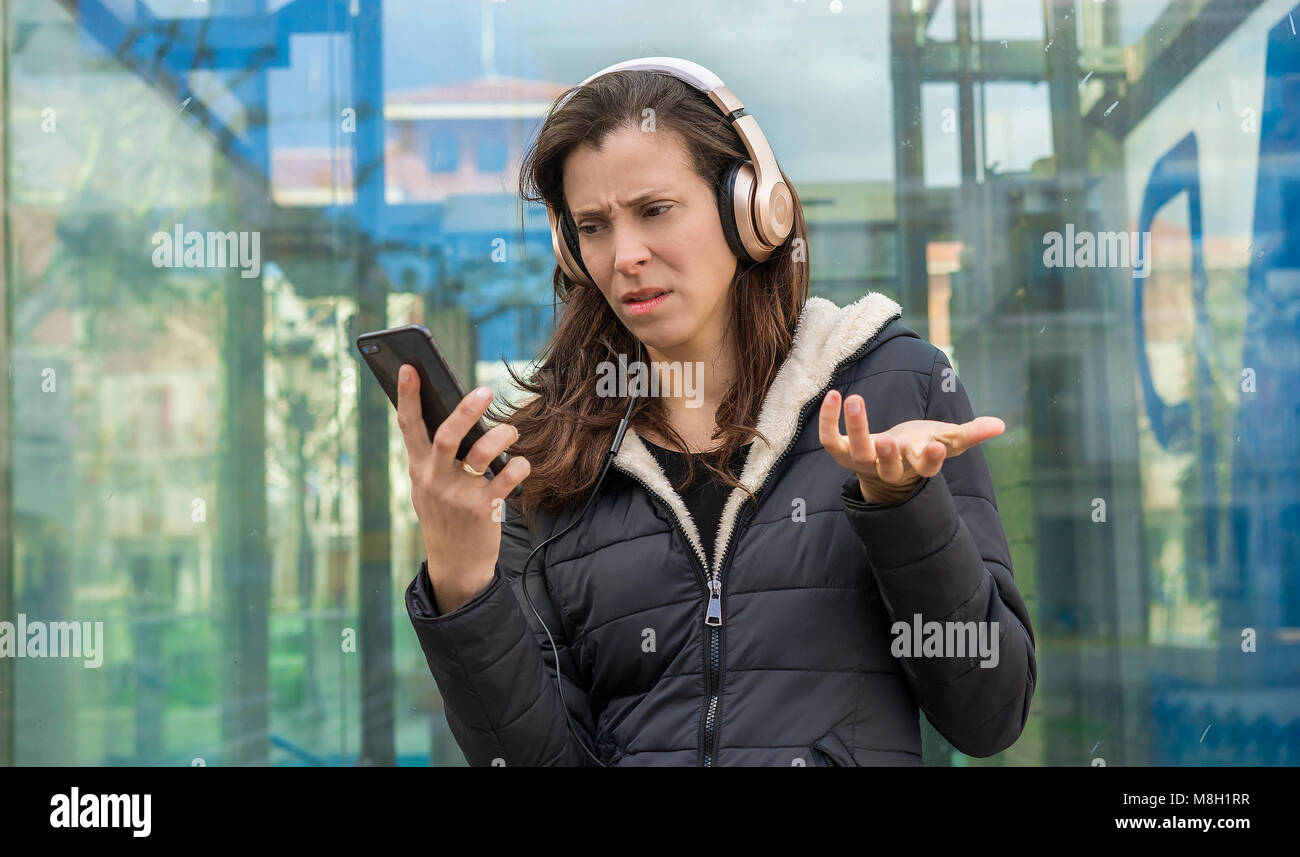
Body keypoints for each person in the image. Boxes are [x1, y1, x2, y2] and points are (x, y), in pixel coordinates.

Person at [400, 58, 1036, 766]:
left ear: (752, 210)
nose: (626, 255)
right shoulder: (546, 462)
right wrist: (461, 585)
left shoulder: (893, 385)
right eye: (594, 226)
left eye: (654, 210)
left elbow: (991, 711)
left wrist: (903, 505)